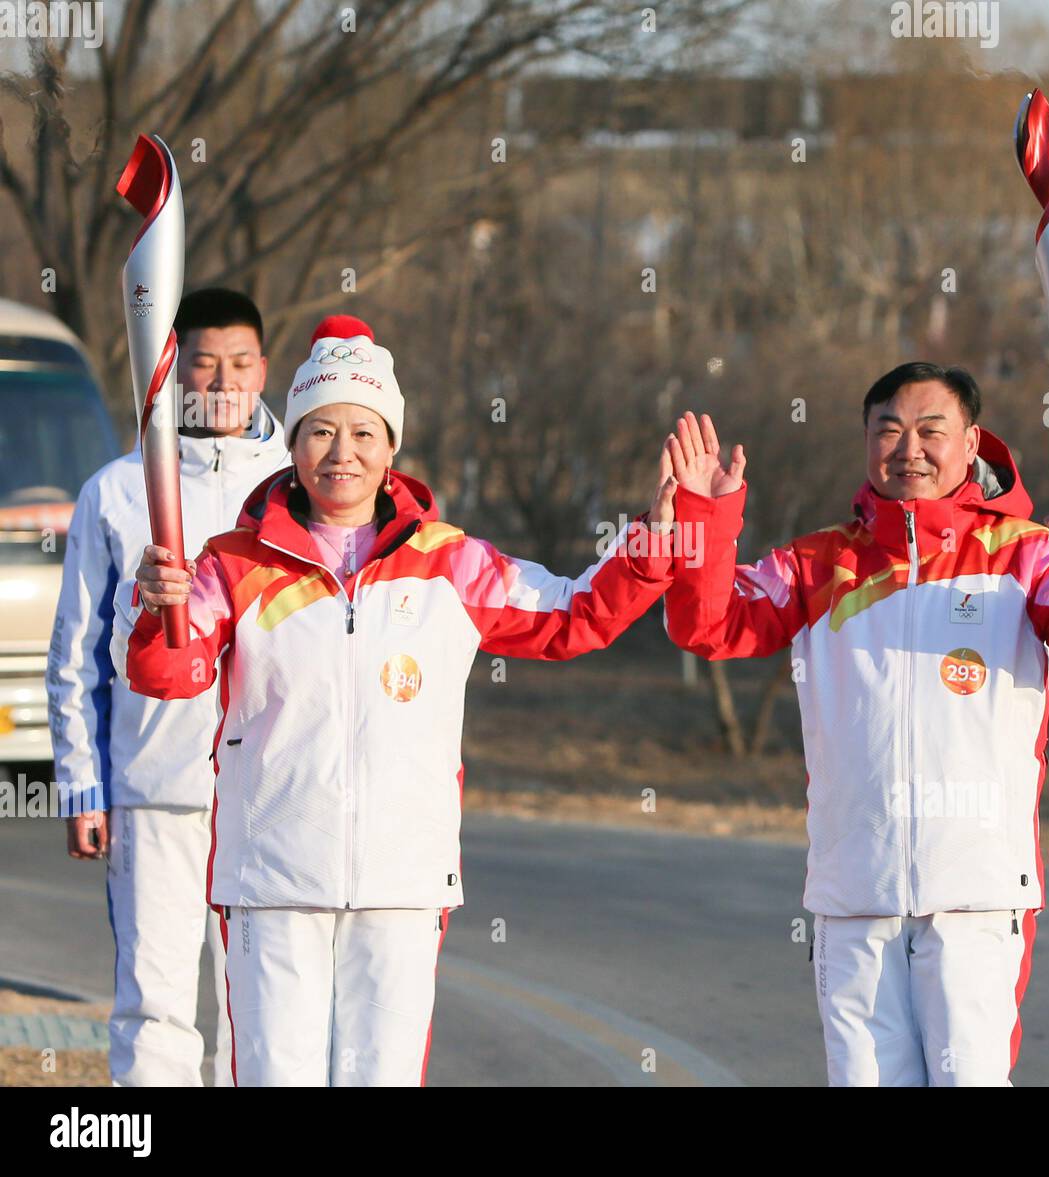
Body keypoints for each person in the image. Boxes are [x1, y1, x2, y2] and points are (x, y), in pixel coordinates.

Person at [118, 314, 677, 1086]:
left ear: (390, 449)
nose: (340, 453)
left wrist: (655, 539)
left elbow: (573, 616)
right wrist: (159, 608)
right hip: (273, 880)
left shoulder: (450, 562)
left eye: (362, 432)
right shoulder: (232, 563)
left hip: (403, 881)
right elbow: (166, 674)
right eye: (319, 431)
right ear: (293, 442)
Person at [660, 363, 1049, 1087]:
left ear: (971, 441)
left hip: (976, 893)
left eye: (931, 429)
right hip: (855, 892)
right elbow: (707, 624)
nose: (908, 448)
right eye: (888, 429)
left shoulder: (1025, 552)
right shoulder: (818, 562)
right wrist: (707, 517)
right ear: (867, 441)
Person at [49, 288, 289, 1086]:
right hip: (154, 790)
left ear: (265, 369)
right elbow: (75, 654)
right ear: (174, 372)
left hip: (272, 795)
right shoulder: (118, 492)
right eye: (204, 364)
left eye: (241, 364)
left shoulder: (302, 489)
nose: (223, 381)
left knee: (258, 1009)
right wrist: (83, 786)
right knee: (155, 1006)